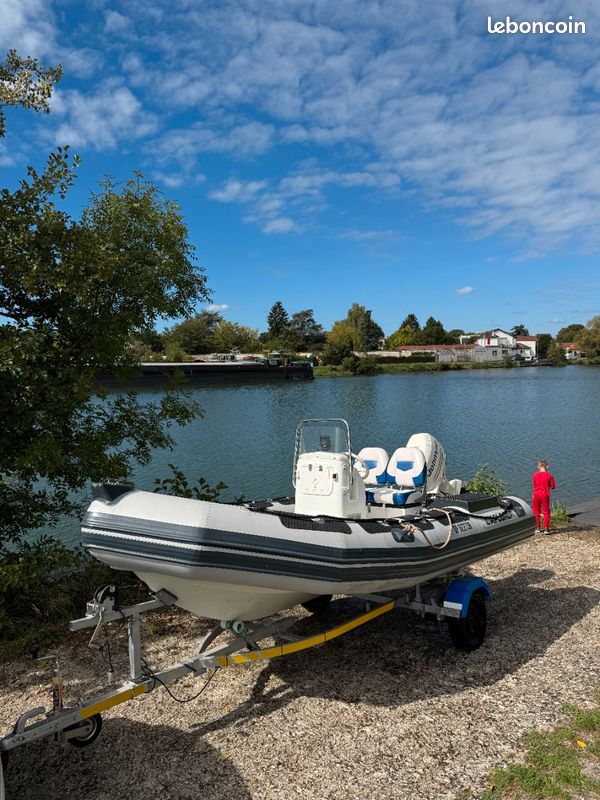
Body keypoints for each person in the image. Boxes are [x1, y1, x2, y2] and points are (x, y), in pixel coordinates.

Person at [532, 459, 556, 534]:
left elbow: (535, 484)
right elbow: (553, 487)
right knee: (546, 512)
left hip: (536, 494)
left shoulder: (534, 475)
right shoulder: (549, 475)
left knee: (536, 511)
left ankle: (537, 528)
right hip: (545, 495)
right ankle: (546, 529)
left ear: (538, 467)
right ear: (547, 467)